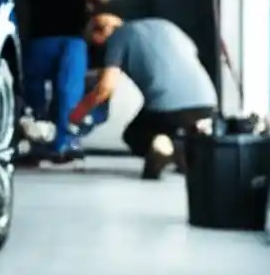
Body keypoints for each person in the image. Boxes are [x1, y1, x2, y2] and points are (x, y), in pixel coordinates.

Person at [72, 13, 219, 179]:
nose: (99, 48)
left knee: (134, 135)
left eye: (95, 43)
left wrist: (75, 115)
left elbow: (105, 88)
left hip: (167, 108)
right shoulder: (164, 25)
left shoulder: (118, 37)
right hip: (207, 102)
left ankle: (163, 145)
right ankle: (180, 151)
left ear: (103, 31)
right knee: (183, 134)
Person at [19, 0, 103, 162]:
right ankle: (63, 143)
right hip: (72, 36)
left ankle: (35, 143)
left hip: (39, 35)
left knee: (33, 93)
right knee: (68, 92)